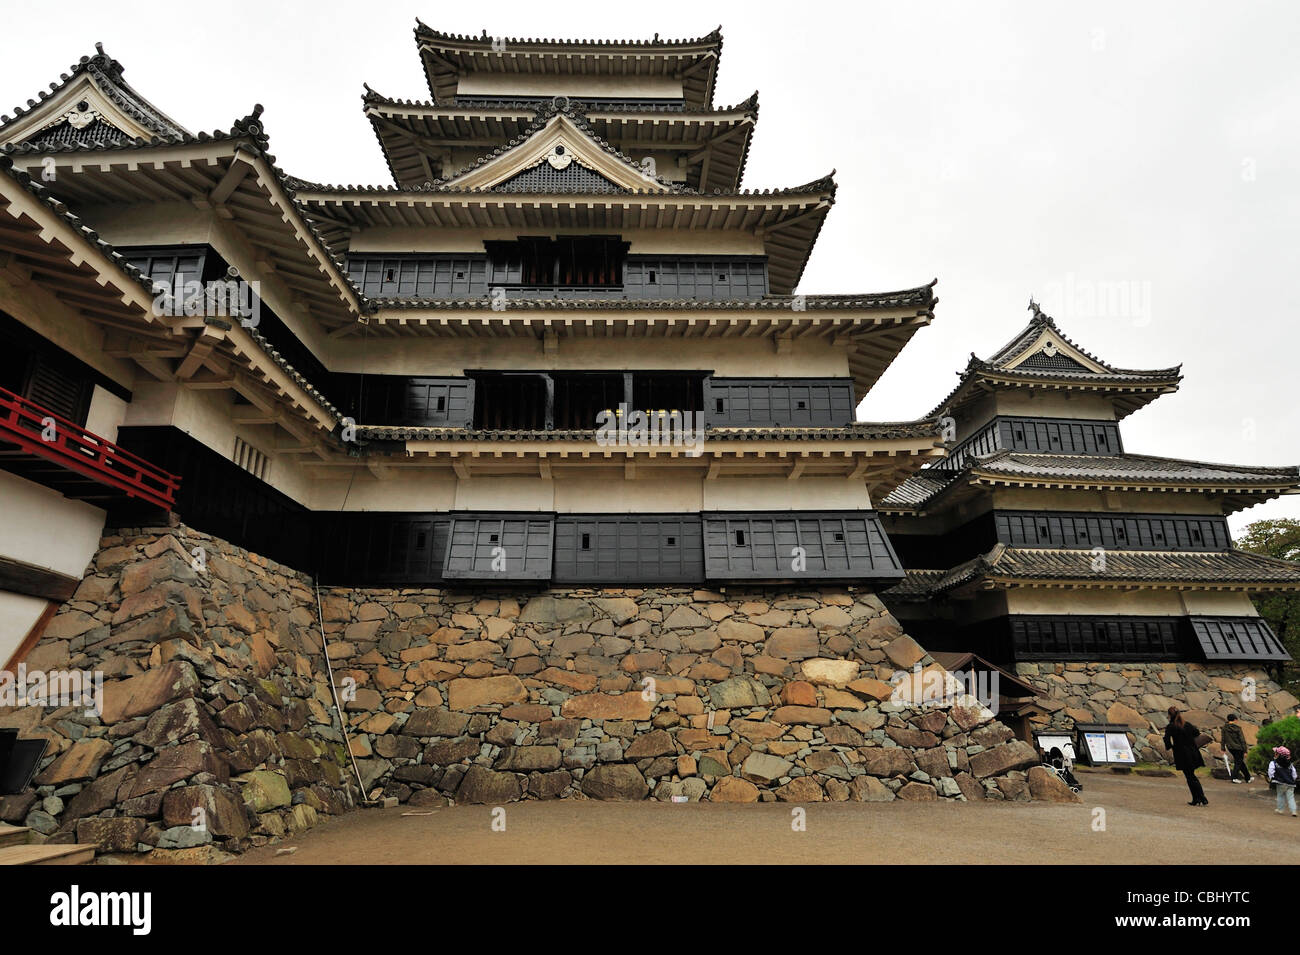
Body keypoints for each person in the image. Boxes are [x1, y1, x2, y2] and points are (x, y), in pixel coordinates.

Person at [1164, 706, 1207, 806]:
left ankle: (1200, 798)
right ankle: (1198, 798)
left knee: (1190, 776)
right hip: (1193, 752)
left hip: (1182, 754)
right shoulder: (1187, 724)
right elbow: (1197, 733)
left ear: (1170, 715)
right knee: (1191, 775)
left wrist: (1171, 746)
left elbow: (1166, 739)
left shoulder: (1171, 726)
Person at [1221, 714, 1252, 784]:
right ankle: (1234, 778)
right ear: (1235, 720)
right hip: (1239, 747)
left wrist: (1223, 748)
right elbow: (1242, 739)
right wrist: (1245, 750)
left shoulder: (1224, 728)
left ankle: (1248, 777)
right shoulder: (1238, 728)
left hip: (1230, 747)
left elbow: (1223, 739)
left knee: (1240, 762)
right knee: (1238, 762)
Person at [1268, 746, 1297, 817]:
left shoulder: (1274, 763)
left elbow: (1270, 771)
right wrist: (1292, 780)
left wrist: (1272, 777)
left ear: (1279, 755)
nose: (1275, 754)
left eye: (1276, 753)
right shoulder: (1290, 765)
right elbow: (1294, 774)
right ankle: (1293, 811)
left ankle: (1280, 809)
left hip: (1280, 782)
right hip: (1290, 784)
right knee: (1291, 797)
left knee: (1280, 795)